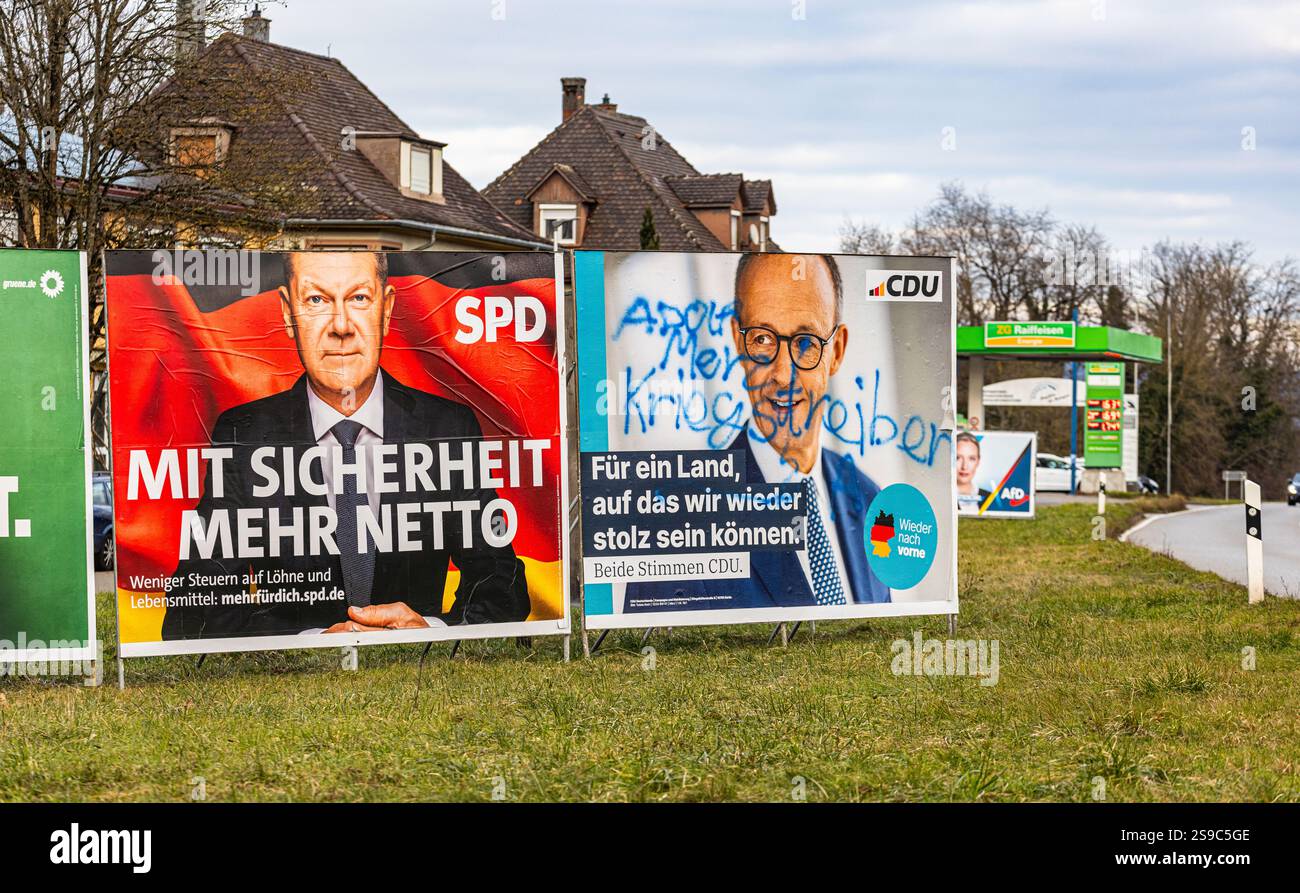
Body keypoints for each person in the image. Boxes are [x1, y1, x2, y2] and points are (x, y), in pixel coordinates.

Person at [161, 251, 530, 639]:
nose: (341, 326)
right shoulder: (245, 435)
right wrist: (310, 642)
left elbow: (502, 591)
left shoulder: (447, 427)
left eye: (358, 298)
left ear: (386, 310)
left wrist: (427, 631)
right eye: (317, 300)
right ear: (289, 314)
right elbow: (195, 611)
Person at [624, 254, 889, 611]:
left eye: (806, 342)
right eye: (763, 339)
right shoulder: (675, 527)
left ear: (836, 351)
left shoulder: (874, 504)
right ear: (738, 340)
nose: (783, 373)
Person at [955, 432, 991, 515]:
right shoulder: (942, 498)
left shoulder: (990, 498)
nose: (964, 466)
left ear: (978, 461)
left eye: (971, 458)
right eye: (958, 458)